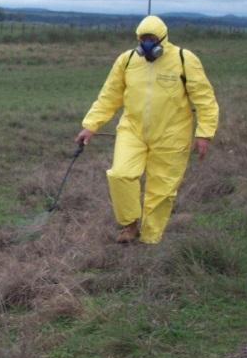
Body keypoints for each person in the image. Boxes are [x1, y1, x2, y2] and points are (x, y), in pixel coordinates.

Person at [74, 15, 219, 244]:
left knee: (161, 190)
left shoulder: (184, 59)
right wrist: (90, 126)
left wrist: (204, 134)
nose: (147, 44)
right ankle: (130, 225)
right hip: (133, 130)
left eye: (152, 39)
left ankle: (150, 240)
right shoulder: (128, 60)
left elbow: (205, 99)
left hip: (173, 134)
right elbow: (109, 96)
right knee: (120, 174)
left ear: (163, 38)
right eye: (143, 39)